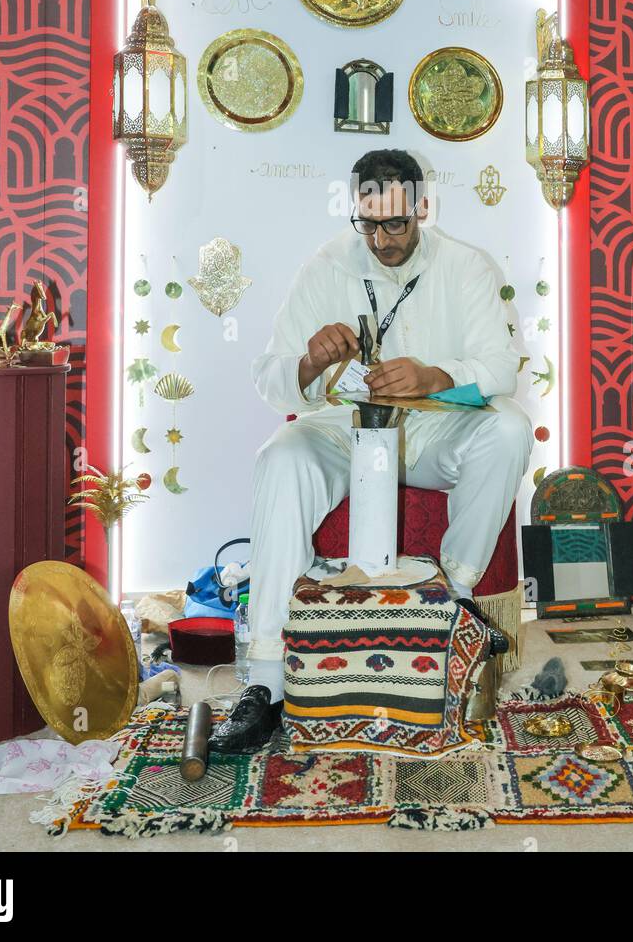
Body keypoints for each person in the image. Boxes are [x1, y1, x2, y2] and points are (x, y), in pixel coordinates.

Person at [209, 149, 534, 753]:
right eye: (369, 225)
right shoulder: (325, 266)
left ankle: (457, 595)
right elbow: (270, 376)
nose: (382, 240)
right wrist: (310, 362)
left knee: (510, 428)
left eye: (396, 225)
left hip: (434, 425)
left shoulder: (466, 266)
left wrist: (435, 376)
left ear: (422, 208)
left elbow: (499, 370)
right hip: (343, 427)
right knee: (281, 456)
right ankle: (267, 680)